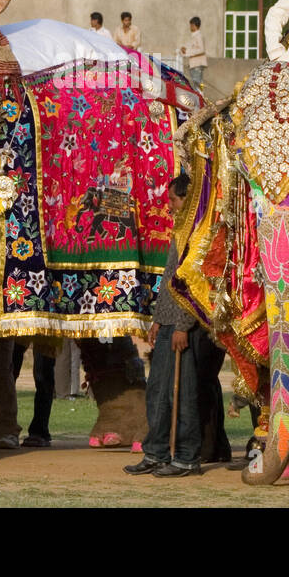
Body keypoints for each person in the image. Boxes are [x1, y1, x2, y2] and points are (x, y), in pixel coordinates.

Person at [124, 174, 203, 477]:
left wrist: (182, 324)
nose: (169, 205)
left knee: (182, 393)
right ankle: (155, 451)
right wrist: (158, 318)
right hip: (168, 321)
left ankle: (186, 456)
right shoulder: (181, 231)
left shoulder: (198, 233)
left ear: (187, 198)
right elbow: (170, 279)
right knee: (157, 390)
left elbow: (195, 283)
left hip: (185, 325)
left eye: (173, 199)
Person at [11, 338, 56, 447]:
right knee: (11, 368)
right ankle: (6, 428)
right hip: (18, 322)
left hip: (46, 325)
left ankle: (39, 430)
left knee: (43, 372)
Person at [180, 16, 207, 88]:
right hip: (193, 64)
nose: (190, 27)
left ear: (194, 25)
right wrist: (184, 50)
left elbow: (201, 49)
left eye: (191, 25)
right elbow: (192, 47)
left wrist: (188, 51)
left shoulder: (199, 36)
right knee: (195, 85)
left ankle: (199, 99)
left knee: (197, 85)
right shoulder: (194, 36)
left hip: (197, 64)